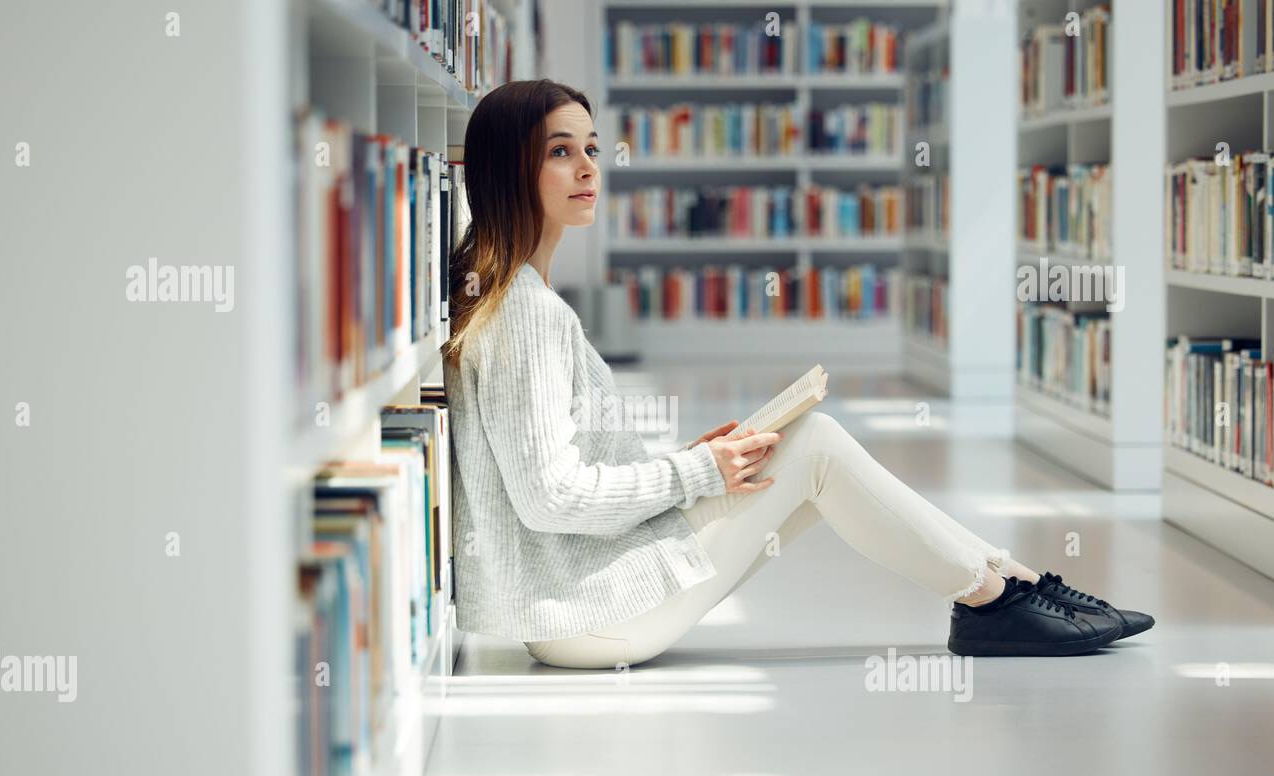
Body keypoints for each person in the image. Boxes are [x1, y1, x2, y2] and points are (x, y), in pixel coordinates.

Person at [441, 79, 1153, 670]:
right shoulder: (524, 313)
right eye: (560, 152)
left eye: (592, 147)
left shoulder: (511, 298)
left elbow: (558, 474)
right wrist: (697, 475)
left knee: (802, 452)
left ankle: (1007, 586)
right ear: (510, 168)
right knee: (815, 445)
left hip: (583, 599)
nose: (590, 167)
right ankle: (999, 598)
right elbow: (550, 498)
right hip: (590, 615)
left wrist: (695, 461)